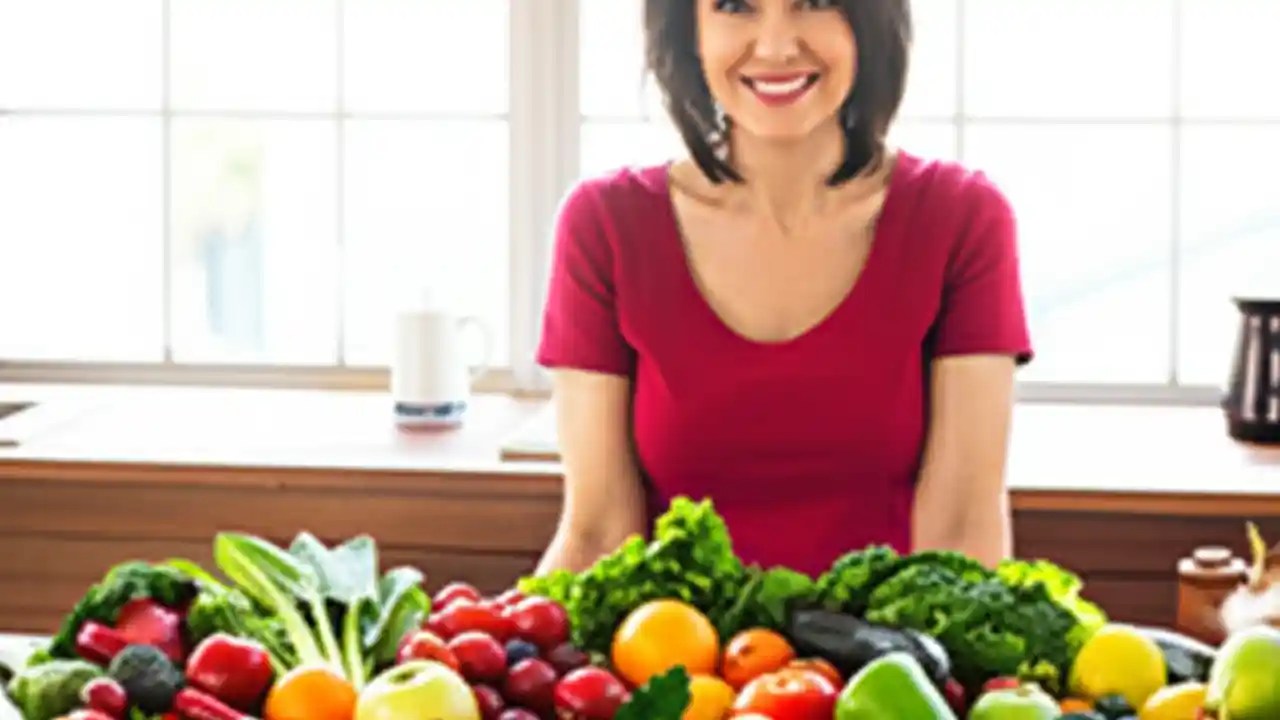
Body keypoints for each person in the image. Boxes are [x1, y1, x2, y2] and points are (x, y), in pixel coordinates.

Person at [533, 0, 1033, 578]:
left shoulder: (961, 220)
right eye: (735, 7)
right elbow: (597, 534)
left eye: (815, 3)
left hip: (889, 661)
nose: (774, 46)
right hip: (670, 659)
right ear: (688, 30)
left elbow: (963, 535)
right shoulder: (605, 225)